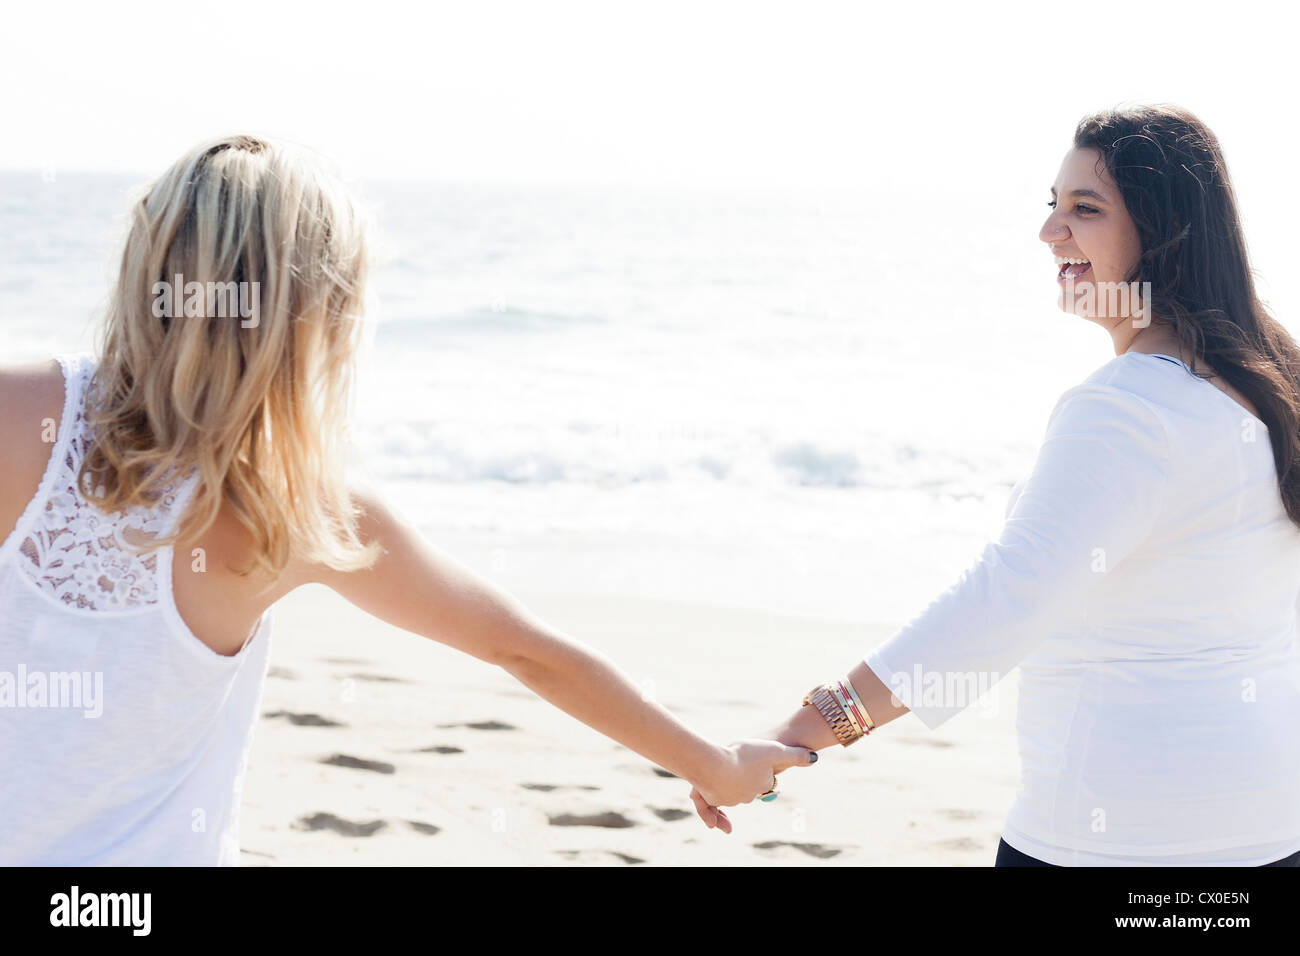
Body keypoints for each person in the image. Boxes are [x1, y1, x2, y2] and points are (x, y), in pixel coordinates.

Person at [0, 135, 813, 866]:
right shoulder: (296, 509)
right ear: (314, 315)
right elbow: (522, 649)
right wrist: (715, 765)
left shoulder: (16, 411)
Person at [692, 104, 1300, 867]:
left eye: (1085, 209)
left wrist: (807, 729)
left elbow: (1003, 602)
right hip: (1271, 823)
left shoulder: (1126, 409)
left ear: (1166, 228)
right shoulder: (1266, 387)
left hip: (1118, 835)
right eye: (1052, 206)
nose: (1050, 232)